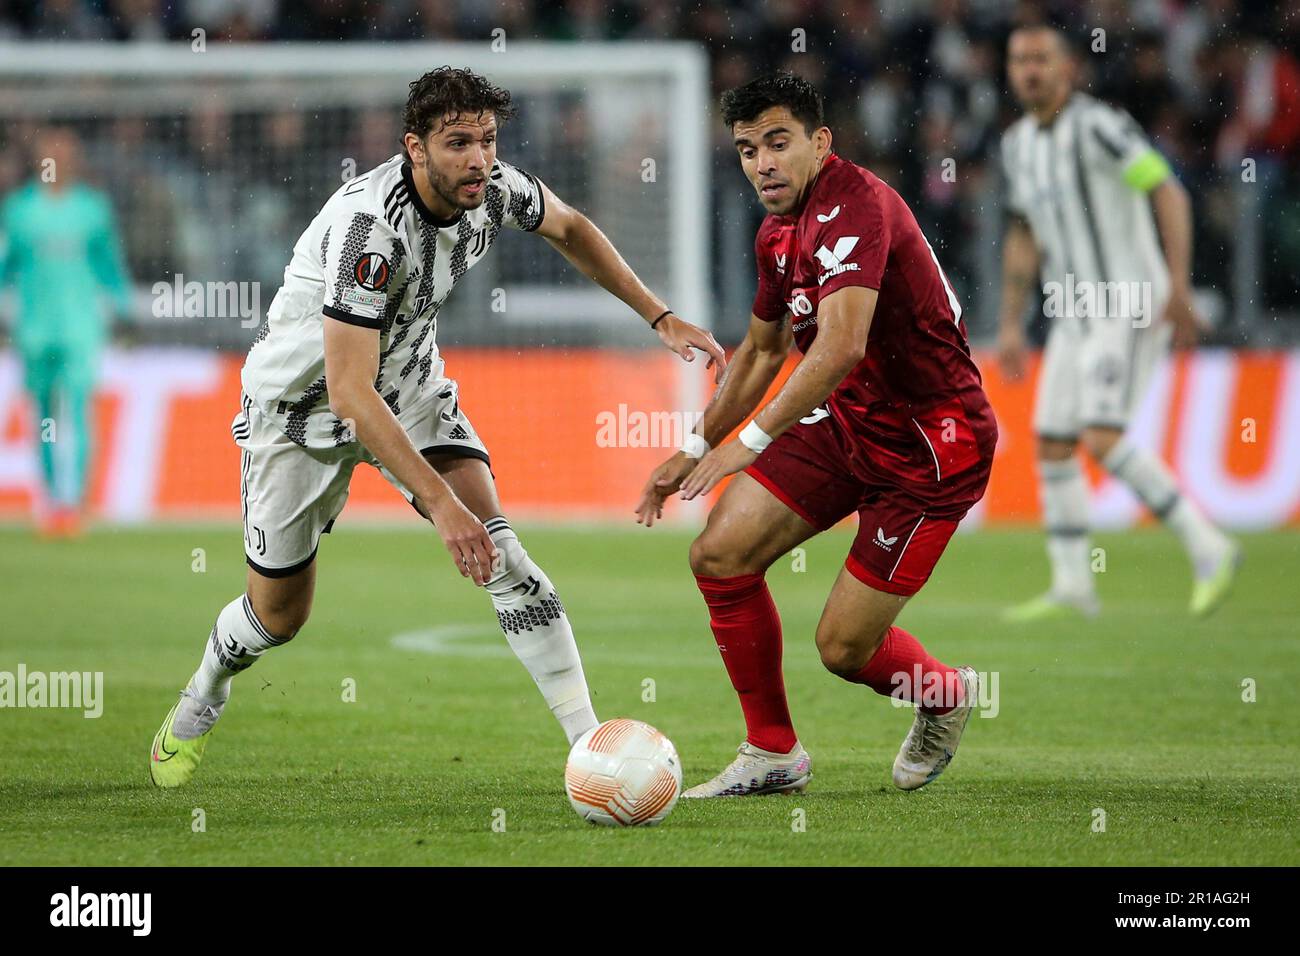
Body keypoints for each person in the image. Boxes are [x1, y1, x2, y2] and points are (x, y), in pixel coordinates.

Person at [149, 67, 725, 787]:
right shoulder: (372, 230)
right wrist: (443, 506)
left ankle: (591, 753)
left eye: (487, 140)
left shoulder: (495, 190)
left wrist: (659, 316)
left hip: (410, 388)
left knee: (508, 561)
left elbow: (571, 227)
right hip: (301, 412)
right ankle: (206, 688)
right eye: (458, 143)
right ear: (414, 149)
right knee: (277, 618)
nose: (479, 158)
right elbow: (351, 394)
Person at [637, 72, 995, 797]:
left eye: (777, 143)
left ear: (819, 142)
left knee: (842, 648)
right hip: (849, 420)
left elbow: (839, 347)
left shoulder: (858, 204)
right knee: (720, 554)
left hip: (931, 450)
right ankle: (772, 753)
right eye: (745, 150)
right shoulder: (775, 232)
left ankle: (944, 694)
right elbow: (765, 352)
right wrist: (697, 446)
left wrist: (753, 439)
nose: (761, 163)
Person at [995, 24, 1240, 622]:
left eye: (1041, 59)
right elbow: (1024, 233)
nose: (1029, 69)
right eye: (1019, 59)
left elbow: (1167, 192)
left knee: (1100, 437)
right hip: (1071, 313)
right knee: (1053, 441)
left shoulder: (1100, 127)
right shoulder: (1018, 145)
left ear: (1067, 68)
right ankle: (1074, 584)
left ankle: (1210, 547)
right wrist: (1008, 323)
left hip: (1127, 302)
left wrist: (1178, 288)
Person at [0, 126, 131, 536]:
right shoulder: (18, 210)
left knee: (78, 411)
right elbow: (6, 267)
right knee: (43, 417)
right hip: (34, 331)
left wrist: (125, 309)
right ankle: (52, 502)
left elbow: (108, 265)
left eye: (64, 150)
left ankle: (79, 505)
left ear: (73, 158)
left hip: (80, 328)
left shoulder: (92, 209)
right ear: (39, 158)